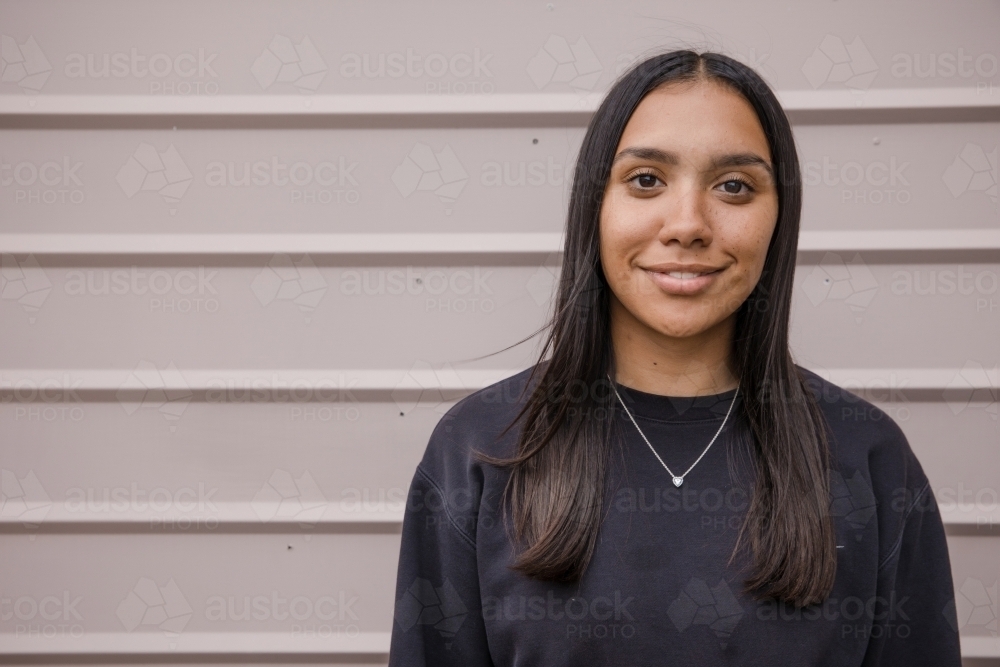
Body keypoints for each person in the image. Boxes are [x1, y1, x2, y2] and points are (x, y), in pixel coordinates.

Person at [387, 50, 962, 666]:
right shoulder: (478, 448)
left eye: (734, 186)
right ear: (594, 208)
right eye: (646, 181)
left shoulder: (870, 459)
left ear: (779, 219)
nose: (687, 224)